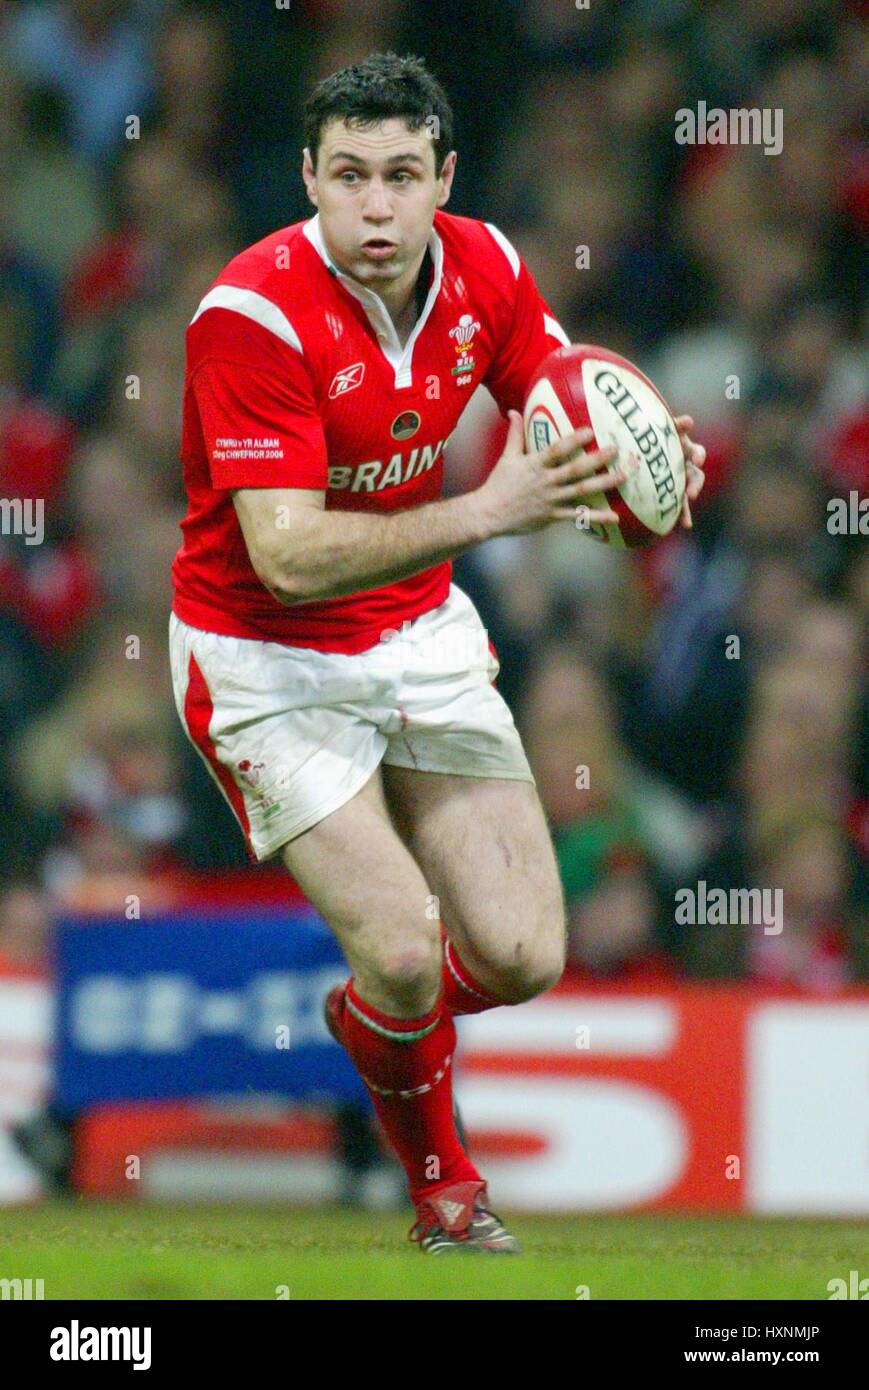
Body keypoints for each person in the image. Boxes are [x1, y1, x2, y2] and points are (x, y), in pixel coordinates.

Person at [168, 52, 705, 1254]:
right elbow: (289, 556)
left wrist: (649, 456)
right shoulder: (246, 318)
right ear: (308, 176)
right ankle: (445, 1195)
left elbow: (566, 405)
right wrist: (484, 511)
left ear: (441, 179)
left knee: (520, 954)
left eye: (400, 175)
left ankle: (379, 1024)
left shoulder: (489, 267)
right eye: (347, 174)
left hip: (416, 634)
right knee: (407, 945)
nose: (374, 205)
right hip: (263, 660)